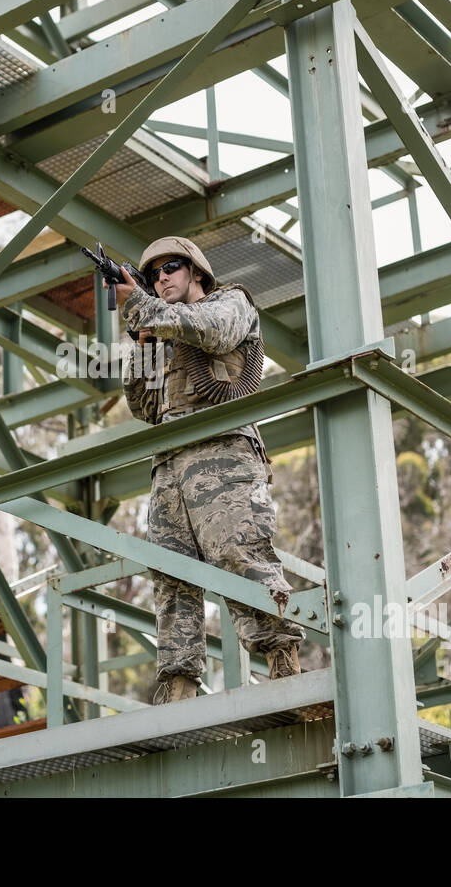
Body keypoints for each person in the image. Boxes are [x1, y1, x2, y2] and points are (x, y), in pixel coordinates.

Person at [107, 235, 305, 705]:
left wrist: (139, 303)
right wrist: (143, 342)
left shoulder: (231, 302)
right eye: (153, 275)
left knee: (239, 554)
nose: (161, 279)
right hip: (170, 465)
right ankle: (178, 680)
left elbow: (214, 332)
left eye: (171, 267)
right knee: (171, 576)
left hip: (224, 456)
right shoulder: (161, 324)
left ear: (196, 270)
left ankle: (280, 656)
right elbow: (142, 405)